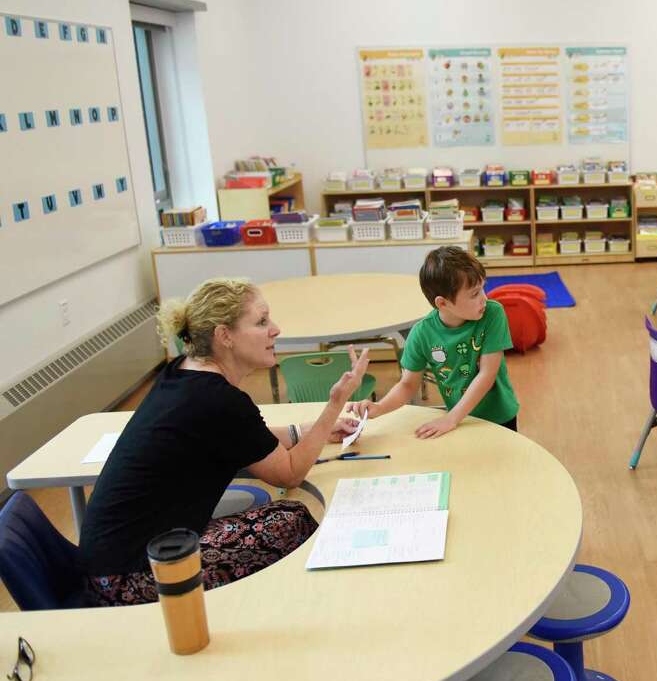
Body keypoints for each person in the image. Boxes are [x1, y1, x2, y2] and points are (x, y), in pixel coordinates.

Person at [80, 278, 368, 606]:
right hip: (136, 578)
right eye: (261, 322)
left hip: (112, 562)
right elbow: (289, 474)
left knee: (289, 515)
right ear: (224, 336)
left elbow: (243, 438)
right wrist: (334, 405)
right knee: (291, 522)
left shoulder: (185, 373)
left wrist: (305, 432)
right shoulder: (219, 400)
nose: (275, 330)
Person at [351, 246, 519, 436]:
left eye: (483, 288)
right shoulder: (422, 333)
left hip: (499, 416)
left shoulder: (492, 314)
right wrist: (379, 408)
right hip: (461, 419)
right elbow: (407, 384)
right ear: (442, 303)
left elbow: (487, 374)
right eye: (474, 294)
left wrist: (450, 418)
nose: (484, 298)